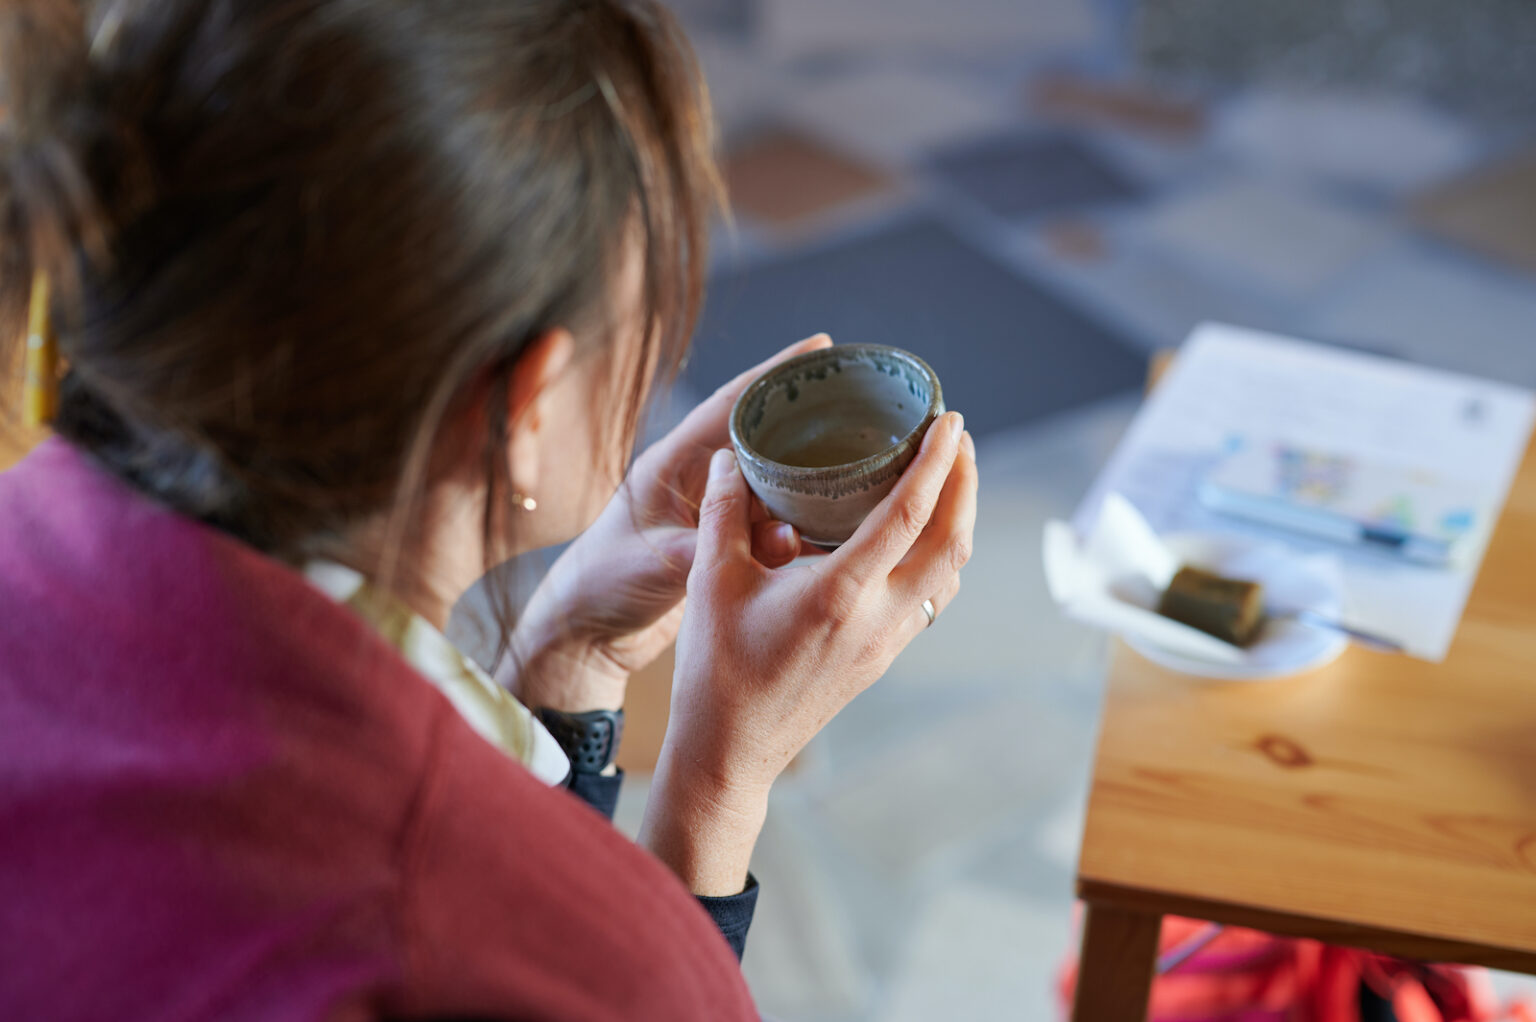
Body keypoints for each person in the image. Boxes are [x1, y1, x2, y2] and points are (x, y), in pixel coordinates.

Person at [0, 1, 978, 1019]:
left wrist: (568, 657)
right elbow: (564, 950)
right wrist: (716, 786)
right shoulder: (460, 914)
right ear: (527, 396)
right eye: (646, 315)